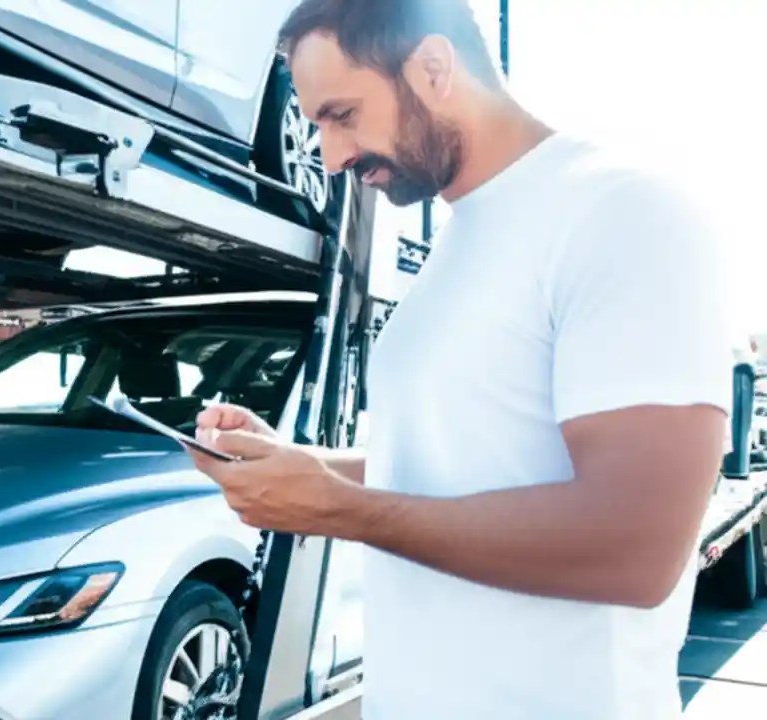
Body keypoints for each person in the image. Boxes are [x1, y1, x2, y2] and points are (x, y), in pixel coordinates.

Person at [186, 1, 735, 718]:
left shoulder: (621, 211)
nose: (329, 157)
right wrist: (298, 467)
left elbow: (636, 546)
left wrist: (341, 508)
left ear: (435, 68)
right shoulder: (458, 244)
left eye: (342, 114)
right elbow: (455, 468)